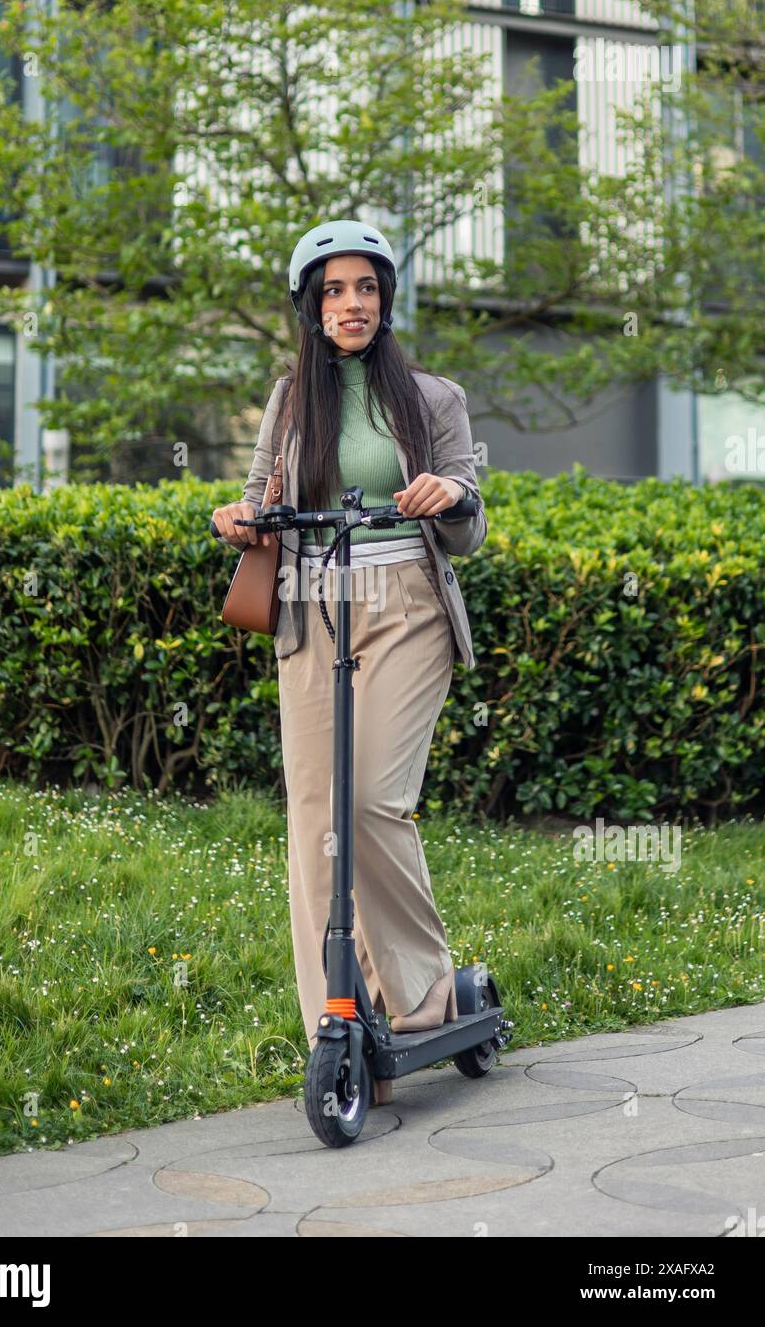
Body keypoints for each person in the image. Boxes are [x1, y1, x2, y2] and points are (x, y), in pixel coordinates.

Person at [212, 220, 487, 1103]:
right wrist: (240, 517)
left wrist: (451, 494)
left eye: (365, 288)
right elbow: (260, 500)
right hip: (310, 612)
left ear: (385, 299)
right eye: (333, 291)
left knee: (370, 801)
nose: (351, 304)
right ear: (311, 306)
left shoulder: (434, 398)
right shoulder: (293, 398)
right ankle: (337, 1015)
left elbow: (470, 531)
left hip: (405, 603)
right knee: (312, 817)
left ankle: (425, 994)